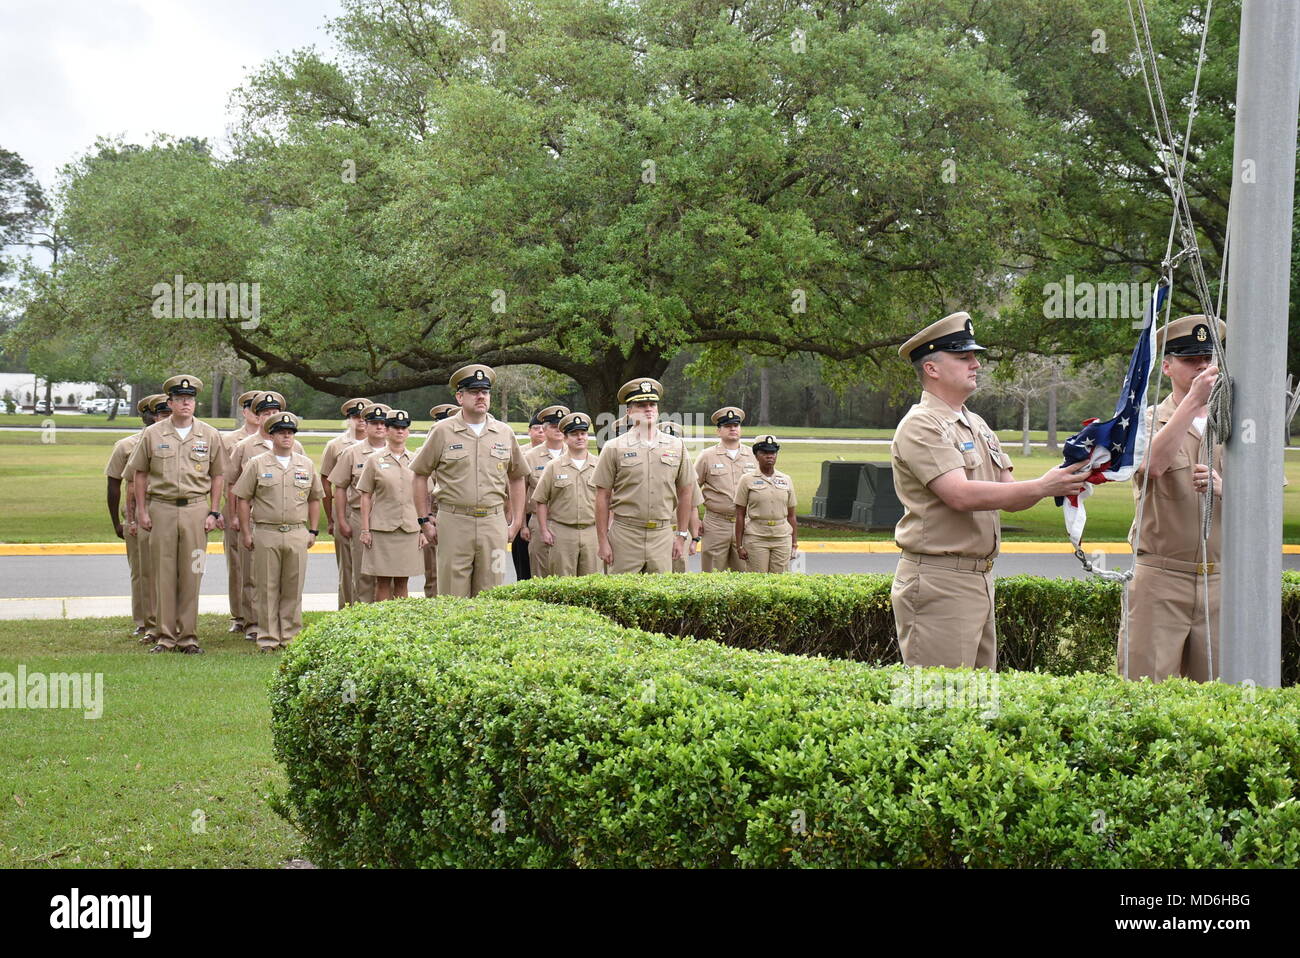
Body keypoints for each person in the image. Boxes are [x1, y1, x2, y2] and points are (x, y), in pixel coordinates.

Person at [890, 312, 1090, 669]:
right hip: (939, 579)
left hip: (977, 578)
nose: (976, 364)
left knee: (977, 702)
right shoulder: (922, 424)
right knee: (944, 700)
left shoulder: (975, 423)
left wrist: (1065, 475)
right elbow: (960, 495)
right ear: (932, 369)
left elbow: (1010, 496)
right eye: (964, 357)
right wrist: (1043, 485)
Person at [1121, 314, 1227, 682]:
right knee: (1144, 692)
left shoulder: (1236, 424)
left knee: (1220, 708)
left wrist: (1225, 488)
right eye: (1188, 358)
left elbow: (1268, 501)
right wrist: (1193, 401)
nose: (1201, 365)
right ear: (1166, 366)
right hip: (1161, 579)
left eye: (1208, 357)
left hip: (1221, 582)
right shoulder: (1144, 420)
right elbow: (1151, 466)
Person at [128, 375, 227, 654]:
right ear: (169, 403)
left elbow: (218, 474)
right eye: (180, 399)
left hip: (196, 509)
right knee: (163, 573)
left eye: (190, 399)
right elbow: (140, 473)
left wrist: (214, 510)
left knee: (193, 572)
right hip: (162, 508)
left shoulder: (209, 434)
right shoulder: (153, 434)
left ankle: (189, 637)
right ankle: (165, 636)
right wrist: (143, 512)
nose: (186, 403)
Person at [411, 364, 528, 597]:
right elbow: (419, 475)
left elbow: (517, 478)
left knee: (491, 595)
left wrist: (515, 522)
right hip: (454, 523)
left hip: (493, 525)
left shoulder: (504, 433)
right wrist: (424, 520)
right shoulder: (442, 431)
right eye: (474, 392)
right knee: (452, 596)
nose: (481, 396)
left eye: (485, 392)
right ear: (460, 397)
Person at [232, 412, 323, 651]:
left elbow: (315, 499)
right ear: (271, 436)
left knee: (293, 587)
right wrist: (246, 532)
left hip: (296, 532)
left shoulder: (305, 464)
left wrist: (313, 530)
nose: (286, 436)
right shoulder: (258, 463)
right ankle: (269, 638)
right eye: (282, 433)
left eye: (290, 433)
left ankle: (291, 636)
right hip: (266, 531)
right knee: (267, 587)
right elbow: (243, 498)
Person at [593, 378, 695, 573]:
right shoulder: (613, 447)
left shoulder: (676, 446)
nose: (648, 409)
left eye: (652, 405)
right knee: (621, 598)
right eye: (641, 405)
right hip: (625, 534)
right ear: (629, 412)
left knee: (660, 598)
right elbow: (602, 496)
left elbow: (686, 492)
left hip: (662, 535)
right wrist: (603, 541)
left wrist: (681, 535)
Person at [225, 392, 303, 641]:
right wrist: (235, 517)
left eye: (275, 412)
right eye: (267, 413)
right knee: (250, 574)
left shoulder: (295, 446)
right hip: (255, 518)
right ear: (258, 417)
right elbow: (233, 484)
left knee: (286, 580)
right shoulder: (244, 447)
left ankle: (282, 625)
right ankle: (251, 622)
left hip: (286, 522)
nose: (271, 417)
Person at [104, 394, 164, 639]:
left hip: (167, 509)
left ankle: (167, 619)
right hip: (138, 513)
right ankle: (143, 621)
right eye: (156, 414)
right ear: (146, 417)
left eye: (164, 413)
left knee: (168, 570)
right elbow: (114, 485)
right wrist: (118, 522)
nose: (160, 418)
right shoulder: (126, 446)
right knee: (141, 571)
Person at [327, 403, 390, 604]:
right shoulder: (351, 453)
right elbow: (339, 487)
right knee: (361, 573)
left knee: (388, 572)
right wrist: (341, 521)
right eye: (374, 423)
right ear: (366, 426)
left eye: (383, 423)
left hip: (389, 519)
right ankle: (360, 617)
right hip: (358, 516)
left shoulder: (397, 452)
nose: (379, 427)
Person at [358, 408, 422, 601]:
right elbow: (365, 496)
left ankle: (400, 624)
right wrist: (365, 529)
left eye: (404, 428)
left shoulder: (416, 460)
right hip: (383, 528)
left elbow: (423, 495)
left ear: (408, 432)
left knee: (403, 581)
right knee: (383, 581)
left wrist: (423, 528)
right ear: (387, 430)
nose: (400, 431)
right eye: (395, 427)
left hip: (410, 528)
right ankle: (382, 625)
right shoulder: (374, 460)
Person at [532, 412, 603, 576]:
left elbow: (609, 499)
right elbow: (540, 500)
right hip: (562, 532)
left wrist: (606, 529)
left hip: (592, 532)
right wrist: (544, 530)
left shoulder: (599, 464)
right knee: (562, 582)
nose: (580, 437)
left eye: (583, 433)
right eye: (574, 434)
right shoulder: (553, 466)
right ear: (565, 438)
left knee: (592, 584)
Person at [320, 397, 369, 608]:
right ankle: (347, 610)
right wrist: (332, 518)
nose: (360, 421)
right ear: (348, 419)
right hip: (349, 508)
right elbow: (326, 480)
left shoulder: (382, 442)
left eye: (363, 417)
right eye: (355, 417)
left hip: (379, 511)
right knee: (347, 567)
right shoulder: (336, 446)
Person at [695, 406, 757, 571]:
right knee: (712, 576)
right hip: (716, 523)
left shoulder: (754, 456)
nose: (732, 429)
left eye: (736, 425)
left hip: (746, 523)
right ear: (718, 431)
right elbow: (691, 489)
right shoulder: (707, 456)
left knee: (745, 575)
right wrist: (695, 519)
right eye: (727, 426)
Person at [220, 390, 261, 634]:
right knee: (237, 562)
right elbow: (227, 479)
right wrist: (233, 513)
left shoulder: (275, 438)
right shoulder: (230, 441)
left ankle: (260, 613)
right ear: (245, 412)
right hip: (235, 505)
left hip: (264, 507)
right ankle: (240, 614)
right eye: (253, 408)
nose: (258, 414)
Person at [733, 434, 798, 572]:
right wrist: (739, 546)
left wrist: (794, 543)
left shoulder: (786, 479)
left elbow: (791, 515)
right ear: (756, 456)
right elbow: (740, 514)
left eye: (773, 452)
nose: (770, 456)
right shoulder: (747, 480)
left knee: (779, 582)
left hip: (781, 537)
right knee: (757, 580)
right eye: (765, 453)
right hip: (756, 536)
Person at [522, 404, 571, 577]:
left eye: (561, 426)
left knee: (567, 575)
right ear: (544, 428)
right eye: (553, 425)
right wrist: (522, 525)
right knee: (540, 573)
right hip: (538, 521)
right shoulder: (530, 456)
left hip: (568, 522)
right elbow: (522, 493)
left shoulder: (575, 454)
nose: (558, 429)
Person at [419, 403, 459, 597]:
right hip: (434, 515)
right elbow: (421, 486)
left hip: (452, 515)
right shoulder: (424, 452)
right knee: (434, 573)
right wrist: (425, 518)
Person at [658, 420, 703, 572]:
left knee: (679, 576)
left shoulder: (686, 473)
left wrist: (695, 538)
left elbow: (693, 507)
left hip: (679, 533)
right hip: (657, 533)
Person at [512, 411, 547, 582]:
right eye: (536, 428)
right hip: (527, 513)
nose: (540, 431)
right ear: (529, 431)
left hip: (551, 515)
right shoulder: (523, 454)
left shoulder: (560, 453)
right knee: (524, 564)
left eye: (543, 427)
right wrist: (519, 523)